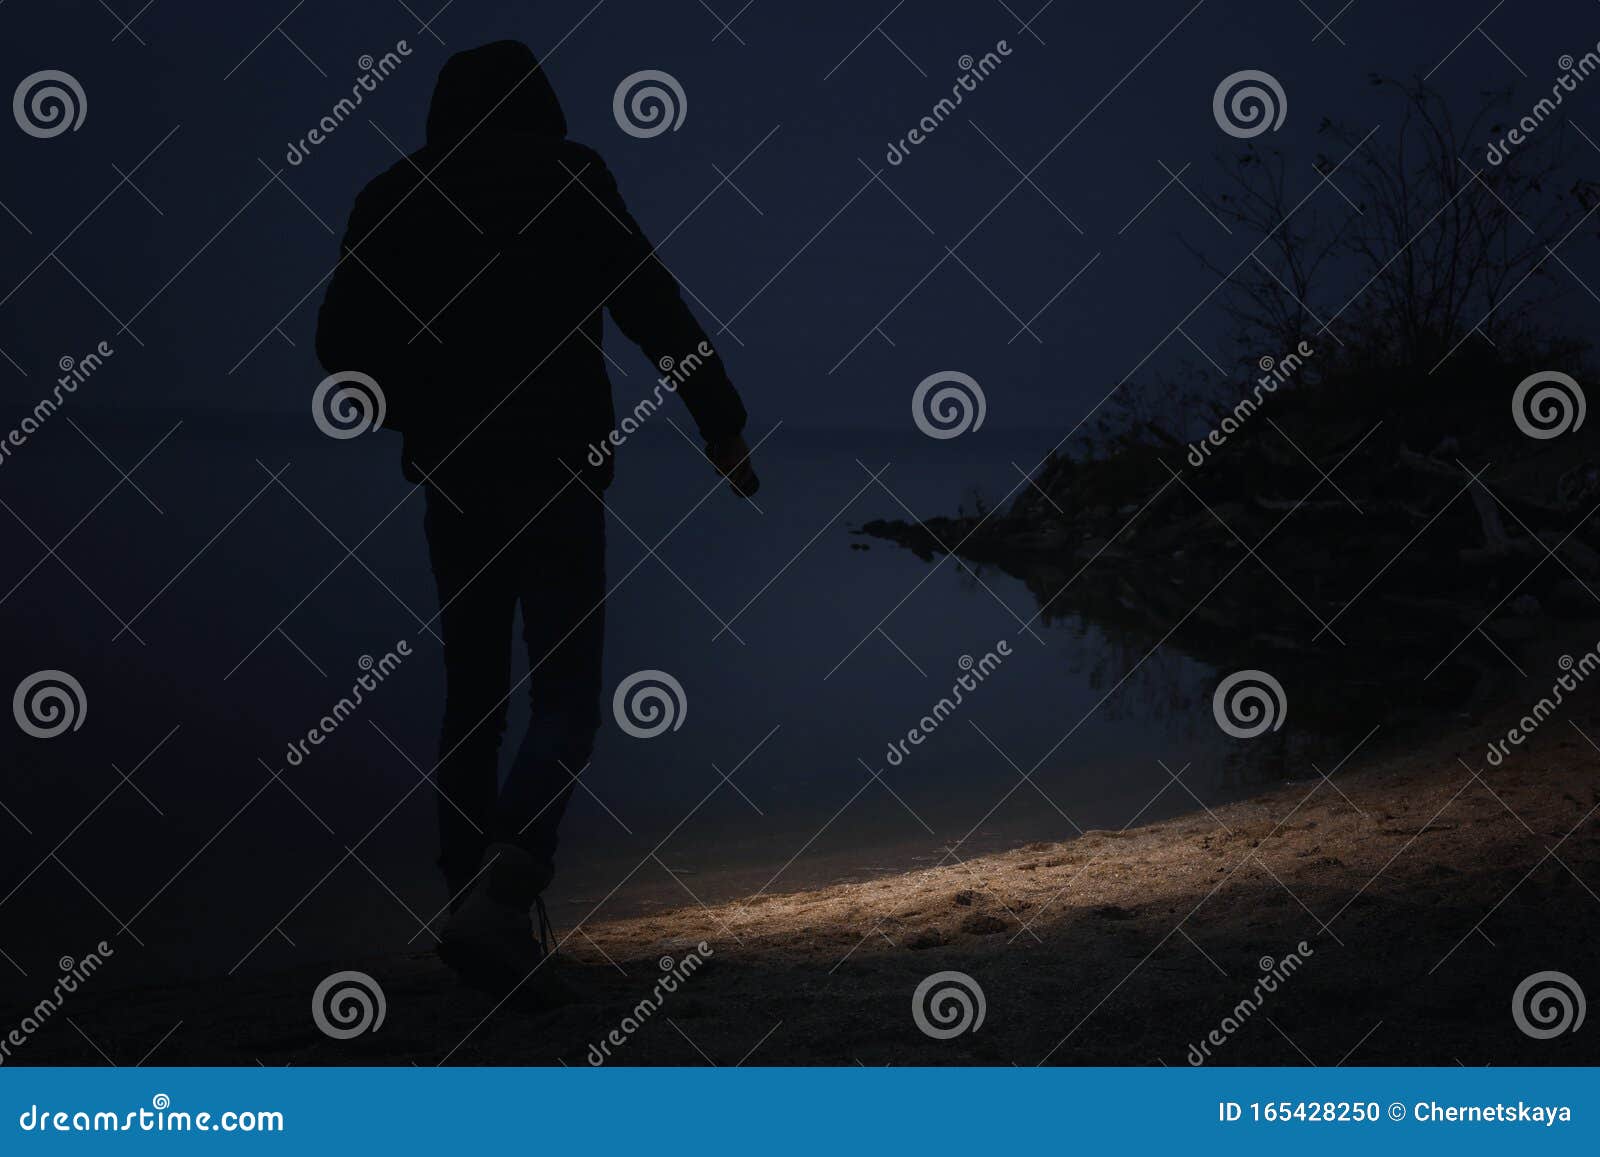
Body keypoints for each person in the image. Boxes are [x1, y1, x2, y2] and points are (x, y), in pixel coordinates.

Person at [314, 40, 758, 992]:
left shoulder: (395, 195)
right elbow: (653, 306)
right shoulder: (572, 178)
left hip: (458, 481)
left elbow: (340, 347)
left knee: (473, 699)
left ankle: (469, 905)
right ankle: (502, 897)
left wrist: (423, 405)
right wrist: (719, 421)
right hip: (561, 469)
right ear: (539, 103)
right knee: (565, 700)